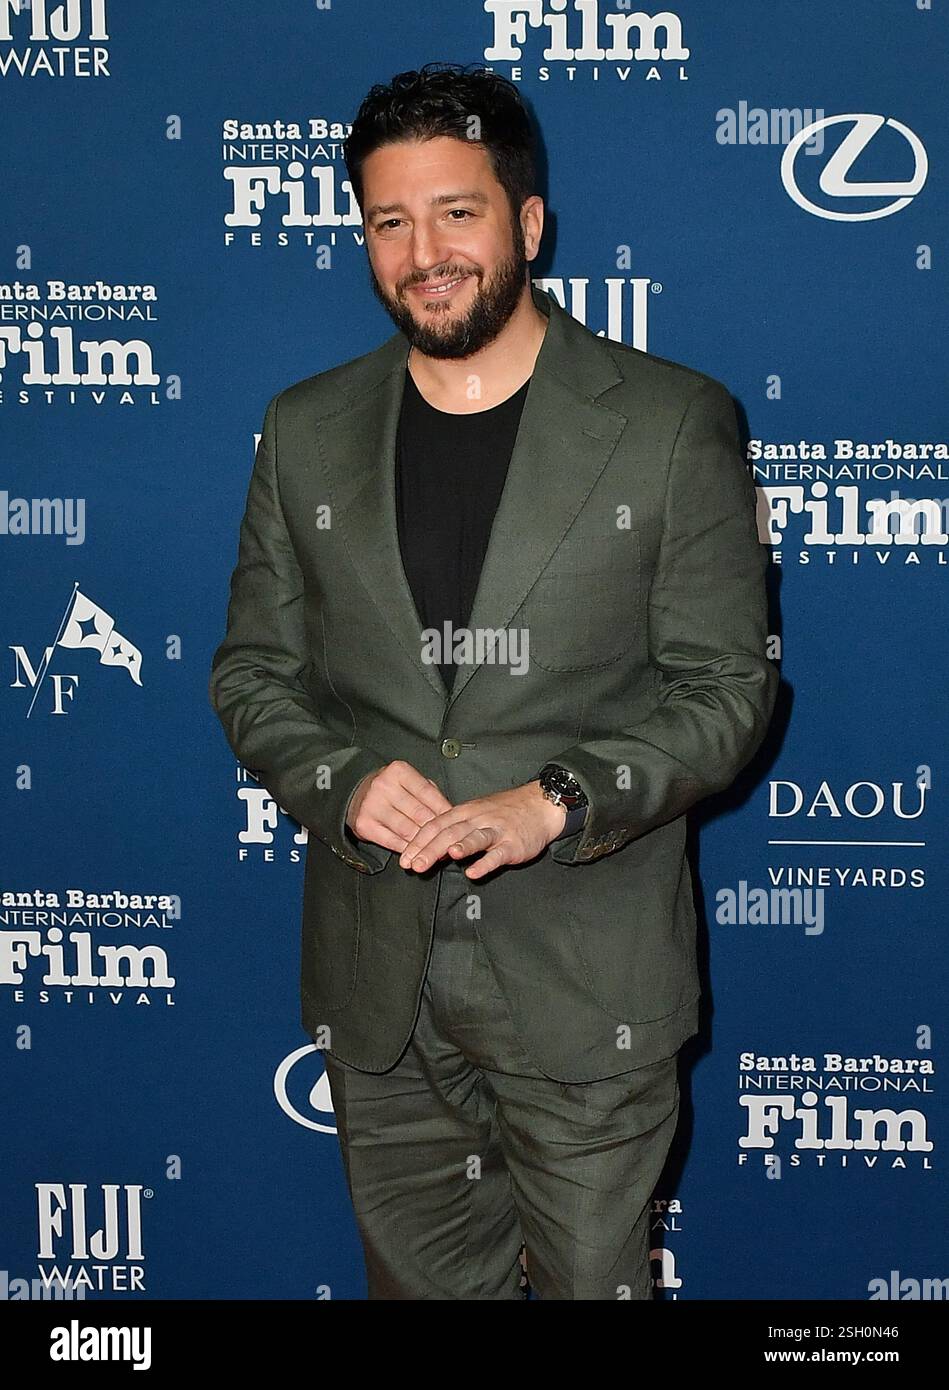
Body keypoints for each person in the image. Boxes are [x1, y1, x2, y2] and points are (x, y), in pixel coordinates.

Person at [209, 61, 778, 1300]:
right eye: (388, 220)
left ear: (527, 222)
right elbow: (255, 672)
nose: (424, 253)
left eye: (456, 213)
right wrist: (345, 781)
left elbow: (729, 689)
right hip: (383, 984)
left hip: (585, 981)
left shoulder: (673, 423)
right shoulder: (302, 428)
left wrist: (556, 800)